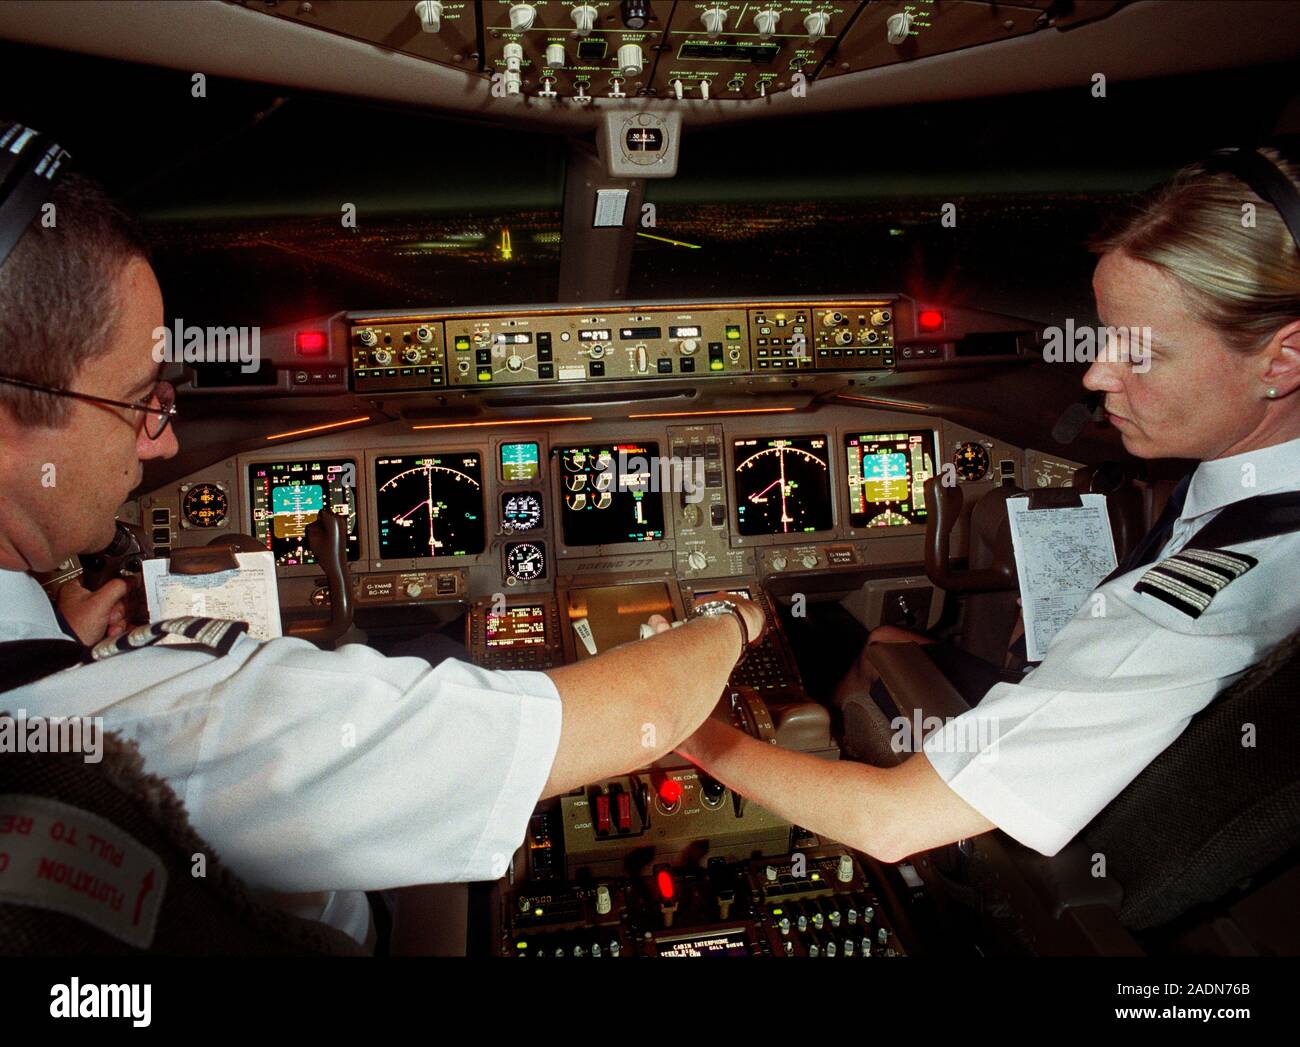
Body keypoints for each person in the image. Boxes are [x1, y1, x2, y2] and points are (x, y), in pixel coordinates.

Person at [0, 135, 766, 946]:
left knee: (447, 646)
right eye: (135, 403)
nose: (159, 444)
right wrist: (741, 618)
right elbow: (640, 711)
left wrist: (58, 644)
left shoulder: (50, 678)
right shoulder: (182, 725)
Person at [673, 143, 1300, 862]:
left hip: (1039, 874)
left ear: (1281, 361)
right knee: (884, 644)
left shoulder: (1188, 618)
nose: (1096, 374)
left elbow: (890, 823)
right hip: (1133, 768)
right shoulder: (1259, 503)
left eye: (1140, 352)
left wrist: (695, 732)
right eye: (1102, 336)